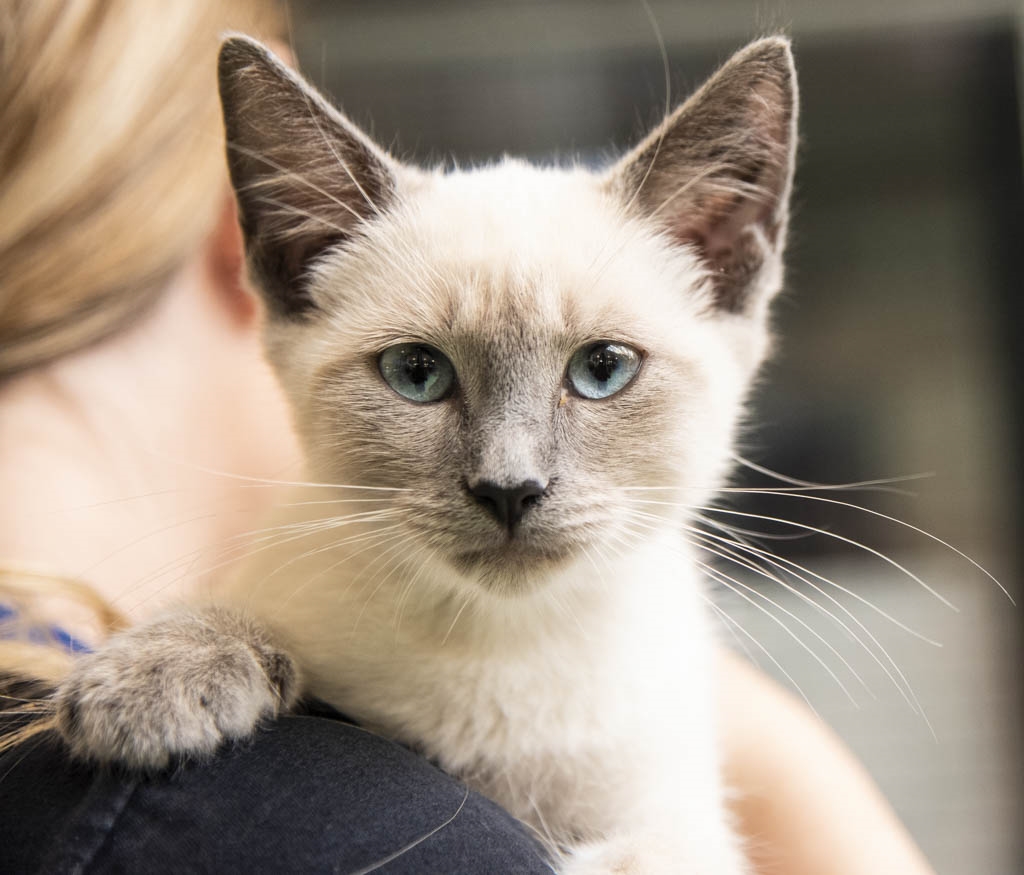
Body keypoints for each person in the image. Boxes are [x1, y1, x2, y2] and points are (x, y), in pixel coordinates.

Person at [0, 2, 936, 872]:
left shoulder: (676, 659)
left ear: (723, 265)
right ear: (290, 271)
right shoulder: (280, 615)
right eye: (419, 372)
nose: (509, 470)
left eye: (601, 368)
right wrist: (232, 634)